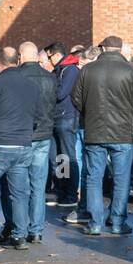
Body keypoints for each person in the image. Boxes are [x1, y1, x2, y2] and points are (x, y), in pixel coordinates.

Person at [0, 46, 50, 251]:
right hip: (23, 146)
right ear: (17, 60)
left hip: (0, 144)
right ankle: (19, 235)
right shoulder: (31, 85)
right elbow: (40, 115)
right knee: (19, 192)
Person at [72, 35, 133, 237]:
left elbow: (76, 99)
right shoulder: (131, 71)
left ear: (103, 48)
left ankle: (95, 223)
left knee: (94, 178)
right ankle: (116, 222)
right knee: (121, 179)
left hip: (94, 131)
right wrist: (132, 119)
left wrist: (89, 116)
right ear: (119, 49)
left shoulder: (88, 70)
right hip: (122, 133)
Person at [0, 42, 56, 246]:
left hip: (20, 136)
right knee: (38, 186)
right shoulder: (51, 77)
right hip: (43, 136)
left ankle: (17, 227)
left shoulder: (16, 77)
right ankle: (36, 230)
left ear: (21, 56)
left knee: (17, 187)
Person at [63, 46, 101, 227]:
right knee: (73, 161)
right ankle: (69, 193)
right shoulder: (71, 70)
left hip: (82, 124)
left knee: (84, 168)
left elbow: (70, 96)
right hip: (81, 124)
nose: (79, 64)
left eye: (83, 62)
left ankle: (80, 203)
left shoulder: (81, 74)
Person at [46, 42, 81, 211]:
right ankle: (60, 190)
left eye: (49, 56)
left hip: (66, 118)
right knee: (58, 158)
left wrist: (47, 91)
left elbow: (60, 93)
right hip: (56, 118)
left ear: (56, 54)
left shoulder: (70, 70)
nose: (48, 59)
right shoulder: (58, 70)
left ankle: (71, 194)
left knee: (68, 156)